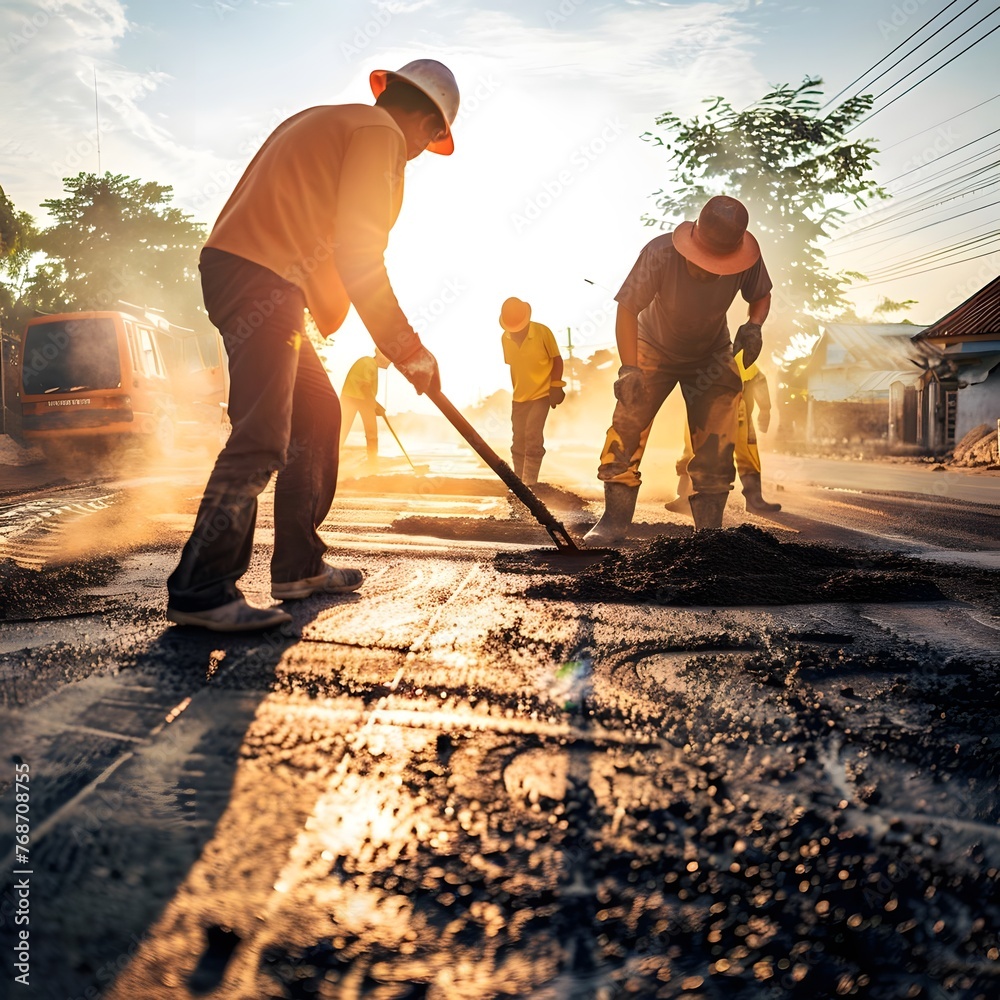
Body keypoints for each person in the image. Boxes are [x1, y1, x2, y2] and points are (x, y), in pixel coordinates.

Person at [166, 59, 460, 631]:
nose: (421, 153)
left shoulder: (332, 120)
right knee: (262, 433)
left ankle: (299, 566)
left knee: (319, 411)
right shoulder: (380, 134)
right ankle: (201, 589)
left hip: (254, 274)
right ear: (427, 123)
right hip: (262, 278)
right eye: (430, 140)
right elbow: (359, 249)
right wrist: (408, 348)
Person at [585, 195, 772, 543]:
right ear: (689, 246)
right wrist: (629, 368)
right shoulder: (659, 253)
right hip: (653, 348)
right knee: (627, 424)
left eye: (718, 267)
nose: (709, 271)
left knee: (718, 443)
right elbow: (627, 309)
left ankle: (709, 535)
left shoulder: (747, 258)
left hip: (711, 353)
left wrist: (754, 325)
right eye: (702, 263)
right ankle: (613, 521)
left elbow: (760, 295)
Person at [664, 351, 782, 515]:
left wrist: (765, 410)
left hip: (734, 409)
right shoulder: (700, 355)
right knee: (693, 449)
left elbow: (758, 379)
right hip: (709, 409)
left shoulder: (733, 356)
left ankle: (753, 499)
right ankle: (685, 496)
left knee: (743, 452)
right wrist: (765, 409)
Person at [499, 297, 566, 486]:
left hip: (542, 394)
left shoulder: (542, 332)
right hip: (519, 397)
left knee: (532, 435)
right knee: (518, 439)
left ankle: (530, 482)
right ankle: (518, 482)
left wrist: (556, 385)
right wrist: (516, 392)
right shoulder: (505, 338)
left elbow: (557, 360)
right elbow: (514, 366)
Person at [339, 348, 391, 472]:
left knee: (342, 432)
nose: (390, 363)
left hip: (351, 397)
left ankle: (331, 462)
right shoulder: (369, 362)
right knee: (370, 433)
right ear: (381, 355)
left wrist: (375, 405)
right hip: (355, 398)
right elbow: (365, 387)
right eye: (389, 359)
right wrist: (375, 405)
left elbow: (367, 389)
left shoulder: (371, 364)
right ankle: (373, 466)